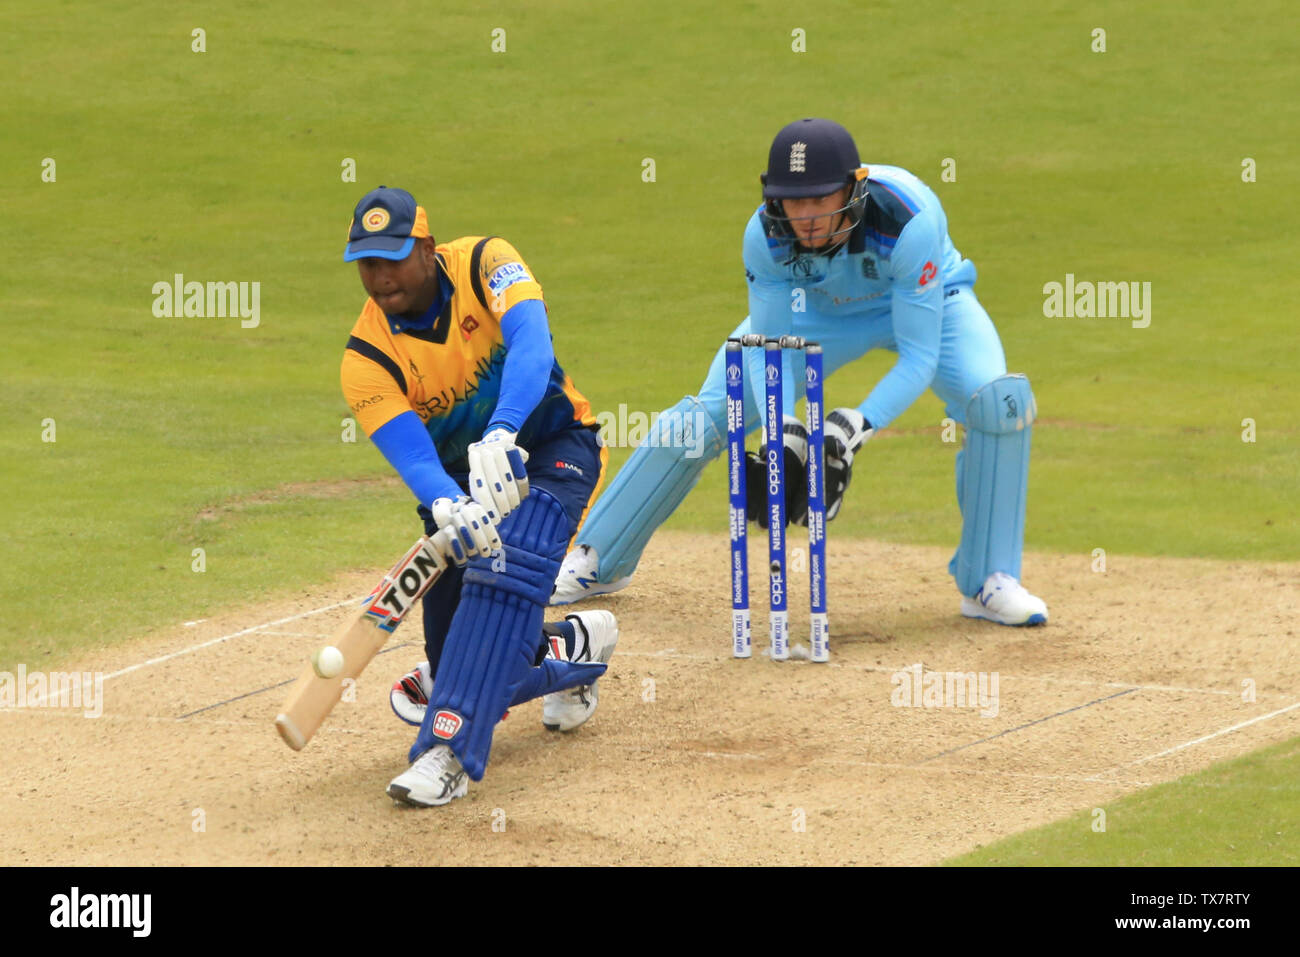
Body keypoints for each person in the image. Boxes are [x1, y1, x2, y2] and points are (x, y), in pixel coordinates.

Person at [552, 119, 1048, 627]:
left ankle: (989, 580)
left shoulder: (908, 220)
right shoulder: (764, 236)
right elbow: (767, 344)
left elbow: (919, 355)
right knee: (700, 420)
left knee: (996, 403)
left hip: (928, 305)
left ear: (854, 189)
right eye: (795, 201)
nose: (807, 216)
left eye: (821, 199)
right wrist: (782, 427)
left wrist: (855, 425)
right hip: (817, 311)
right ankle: (598, 560)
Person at [339, 185, 619, 807]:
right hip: (460, 492)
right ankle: (572, 647)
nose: (380, 277)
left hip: (553, 448)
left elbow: (531, 344)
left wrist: (503, 428)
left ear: (428, 249)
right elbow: (412, 453)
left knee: (505, 571)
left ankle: (447, 754)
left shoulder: (487, 261)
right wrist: (445, 503)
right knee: (461, 661)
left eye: (392, 258)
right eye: (367, 263)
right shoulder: (365, 358)